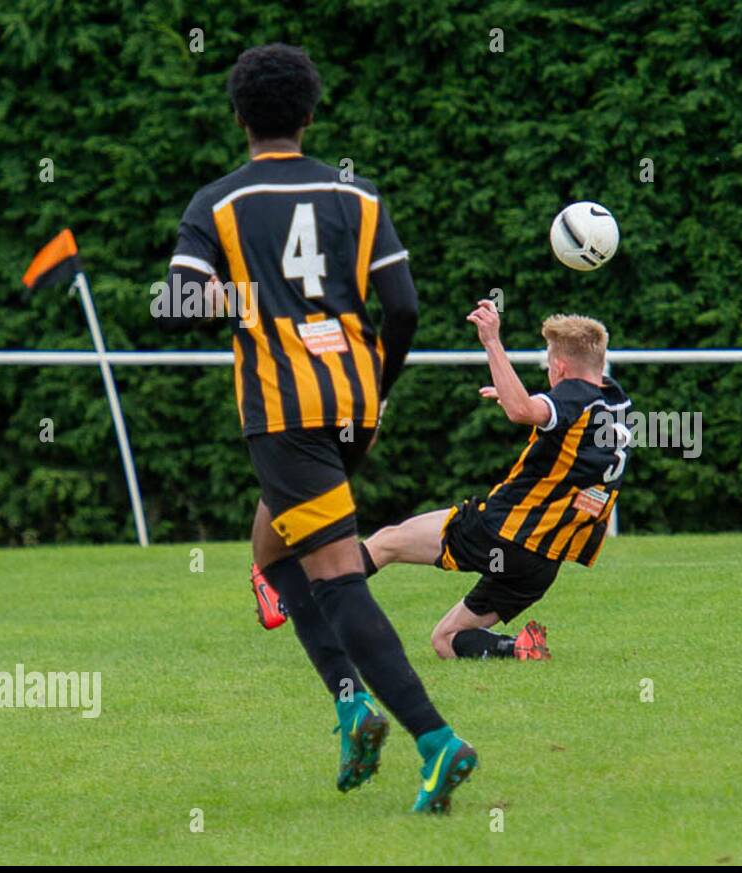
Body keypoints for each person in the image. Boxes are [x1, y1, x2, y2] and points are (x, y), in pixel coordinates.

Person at [158, 43, 475, 813]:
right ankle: (348, 703)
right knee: (272, 551)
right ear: (309, 114)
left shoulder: (220, 203)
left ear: (240, 117)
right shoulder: (357, 196)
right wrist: (380, 387)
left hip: (284, 411)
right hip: (352, 406)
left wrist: (248, 302)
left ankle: (435, 740)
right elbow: (402, 308)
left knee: (331, 573)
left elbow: (179, 304)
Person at [360, 301, 631, 660]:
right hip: (541, 565)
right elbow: (553, 412)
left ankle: (293, 596)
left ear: (560, 367)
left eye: (551, 365)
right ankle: (517, 648)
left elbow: (528, 410)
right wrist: (516, 396)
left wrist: (491, 341)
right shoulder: (616, 404)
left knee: (387, 542)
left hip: (503, 534)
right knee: (446, 640)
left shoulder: (574, 396)